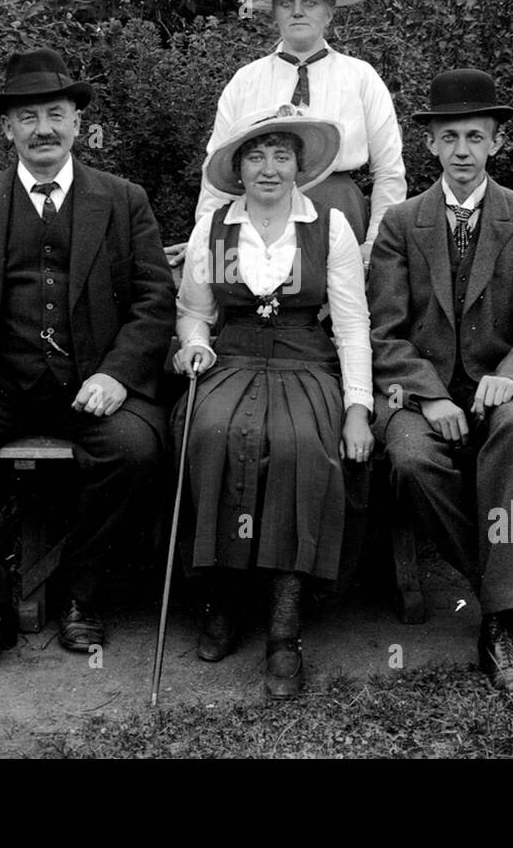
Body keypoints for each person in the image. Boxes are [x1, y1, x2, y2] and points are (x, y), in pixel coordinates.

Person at [0, 48, 175, 679]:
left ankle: (83, 594)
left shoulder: (123, 200)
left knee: (134, 450)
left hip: (92, 380)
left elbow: (155, 300)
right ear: (8, 129)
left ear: (78, 122)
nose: (43, 129)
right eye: (28, 118)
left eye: (56, 114)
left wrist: (116, 374)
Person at [367, 68, 513, 696]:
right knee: (406, 457)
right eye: (450, 137)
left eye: (475, 137)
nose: (462, 151)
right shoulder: (402, 223)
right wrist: (429, 395)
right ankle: (504, 603)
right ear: (429, 143)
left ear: (495, 144)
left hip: (500, 393)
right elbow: (384, 329)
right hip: (421, 393)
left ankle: (497, 617)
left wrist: (511, 379)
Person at [172, 104, 374, 700]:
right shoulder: (214, 229)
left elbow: (352, 323)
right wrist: (195, 346)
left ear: (298, 165)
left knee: (297, 447)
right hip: (231, 361)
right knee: (211, 437)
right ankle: (225, 601)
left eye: (281, 155)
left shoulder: (328, 226)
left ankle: (285, 630)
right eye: (256, 156)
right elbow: (193, 311)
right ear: (238, 168)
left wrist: (358, 406)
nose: (268, 167)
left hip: (304, 363)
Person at [165, 0, 405, 267]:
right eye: (286, 2)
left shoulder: (360, 76)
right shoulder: (246, 80)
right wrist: (205, 240)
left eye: (310, 1)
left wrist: (377, 242)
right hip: (256, 217)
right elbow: (215, 174)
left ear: (329, 12)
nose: (297, 11)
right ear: (274, 11)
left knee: (339, 310)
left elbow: (389, 171)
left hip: (339, 212)